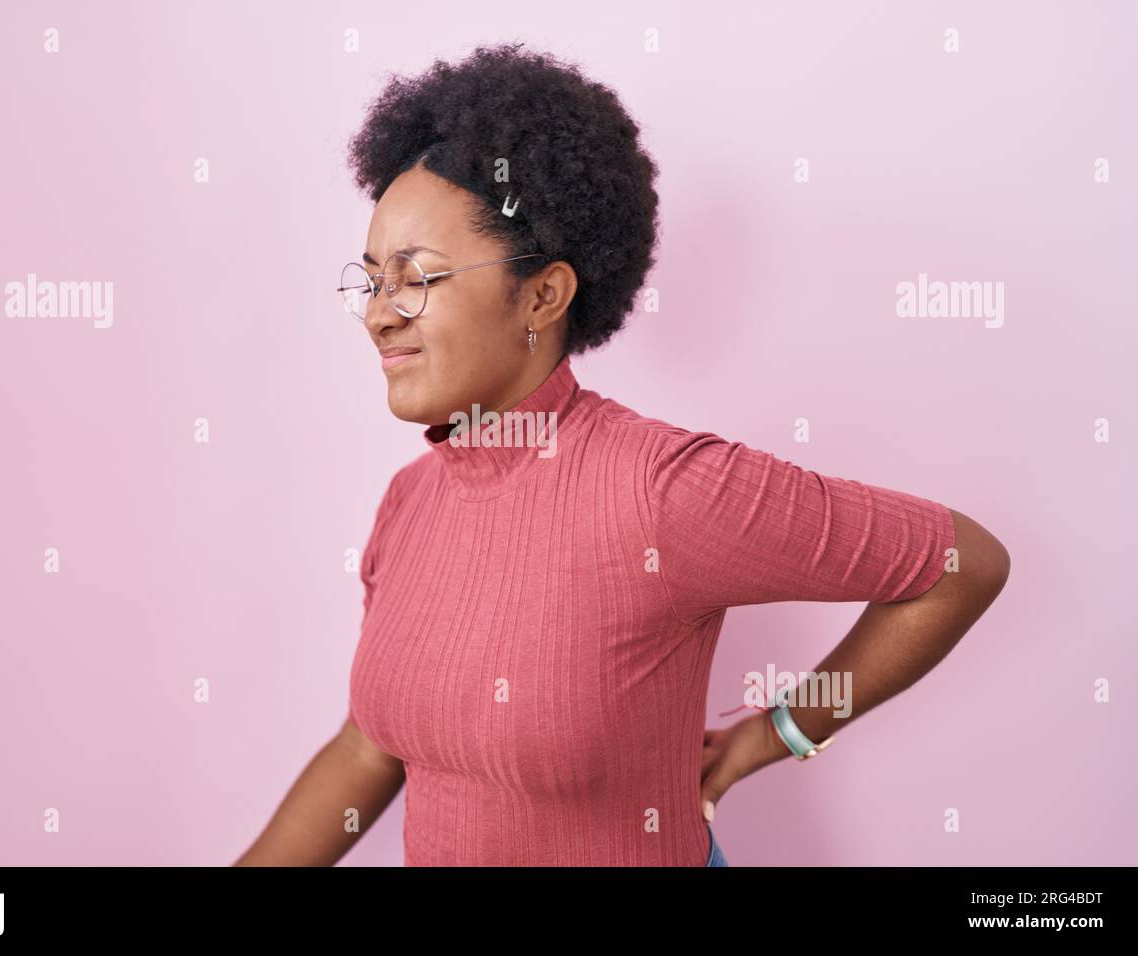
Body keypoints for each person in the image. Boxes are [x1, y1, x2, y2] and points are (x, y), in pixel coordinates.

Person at [235, 41, 1010, 867]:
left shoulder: (661, 490)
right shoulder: (409, 500)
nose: (379, 316)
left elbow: (961, 564)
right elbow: (368, 747)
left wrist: (780, 730)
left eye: (416, 278)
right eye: (371, 281)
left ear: (542, 294)